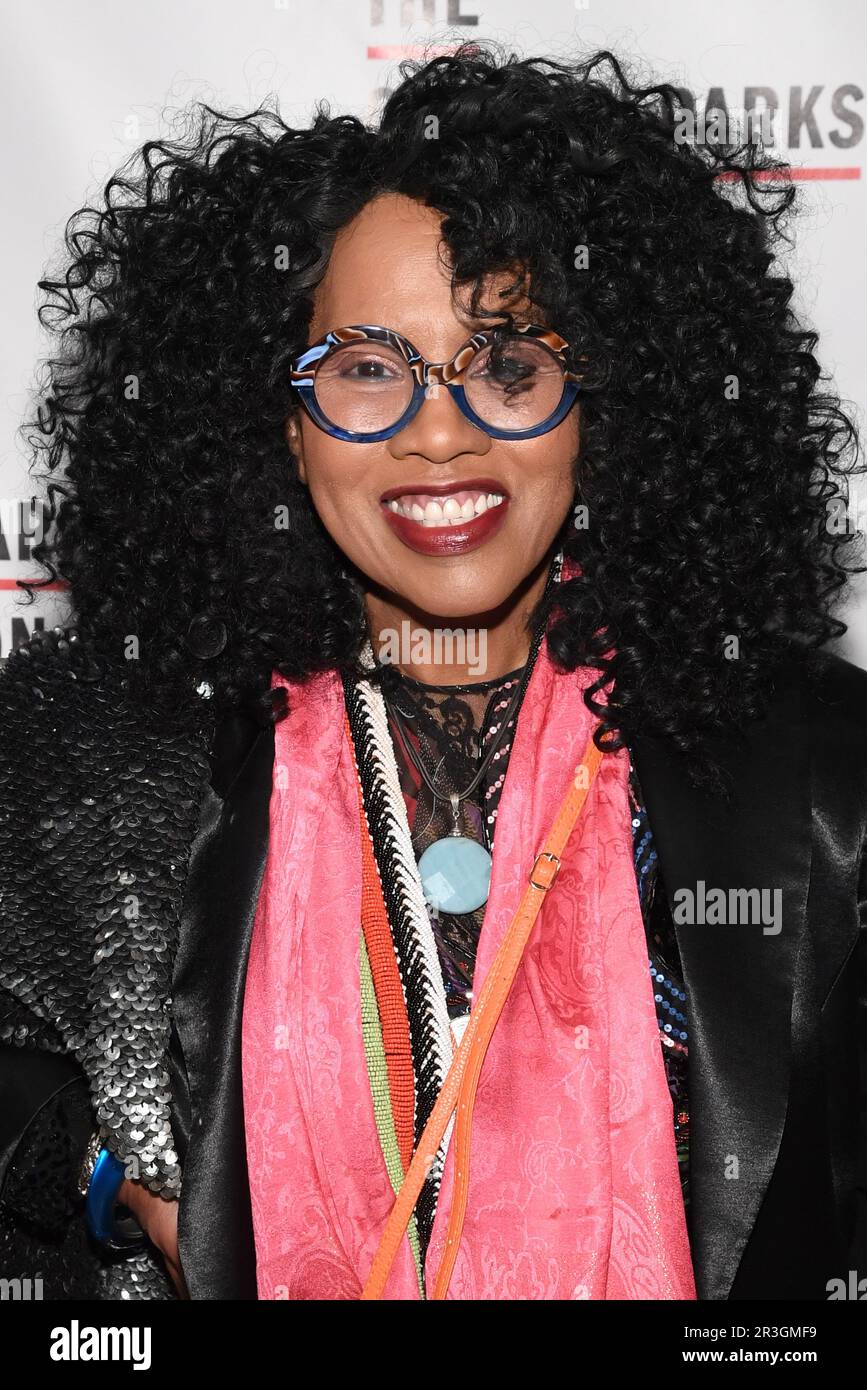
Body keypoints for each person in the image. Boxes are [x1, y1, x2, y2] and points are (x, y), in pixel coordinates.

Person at [0, 43, 865, 1302]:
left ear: (602, 403)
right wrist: (102, 1171)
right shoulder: (96, 753)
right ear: (283, 426)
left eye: (508, 365)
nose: (440, 430)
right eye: (366, 371)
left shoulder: (822, 769)